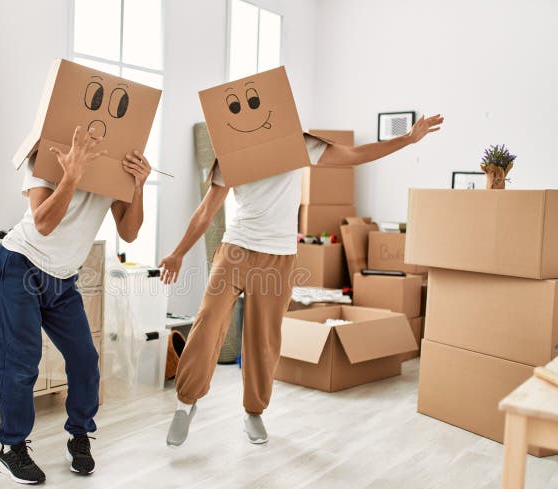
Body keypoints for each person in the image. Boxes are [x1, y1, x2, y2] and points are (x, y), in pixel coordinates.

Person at [159, 114, 444, 447]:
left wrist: (408, 139)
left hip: (278, 255)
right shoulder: (233, 153)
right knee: (207, 322)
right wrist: (178, 253)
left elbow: (353, 156)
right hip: (236, 248)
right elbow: (207, 210)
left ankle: (254, 411)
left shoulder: (299, 144)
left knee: (263, 338)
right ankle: (185, 403)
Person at [0, 125, 152, 483]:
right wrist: (72, 175)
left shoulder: (113, 167)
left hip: (62, 278)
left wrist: (138, 186)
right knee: (21, 364)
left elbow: (129, 231)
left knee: (85, 360)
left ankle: (79, 434)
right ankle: (10, 448)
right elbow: (43, 223)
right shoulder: (45, 154)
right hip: (19, 265)